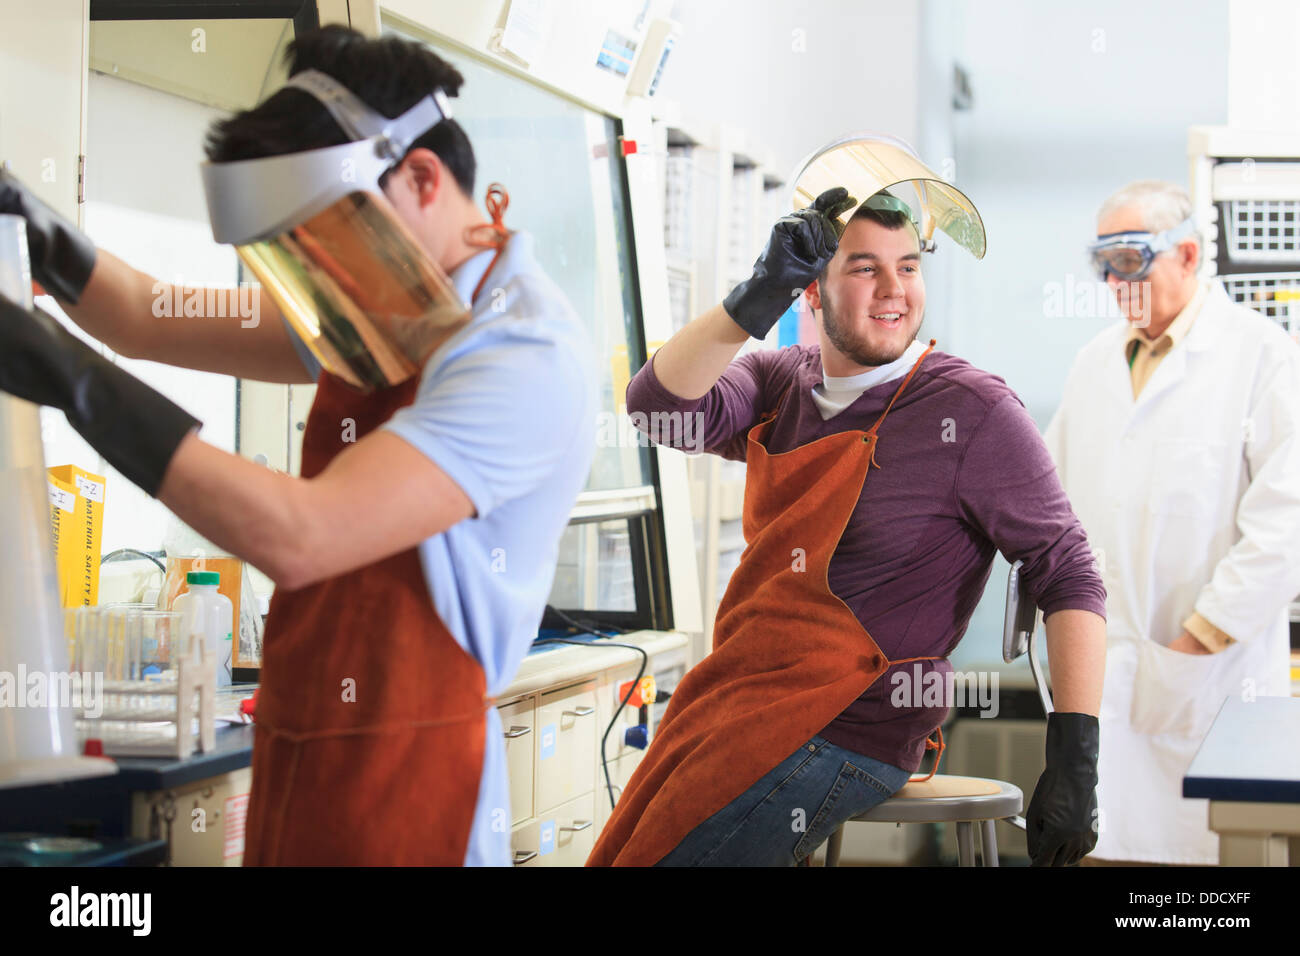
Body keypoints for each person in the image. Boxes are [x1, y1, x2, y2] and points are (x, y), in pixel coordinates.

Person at [0, 25, 596, 865]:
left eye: (321, 248)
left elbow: (305, 534)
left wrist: (71, 379)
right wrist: (37, 230)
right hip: (303, 754)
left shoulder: (521, 355)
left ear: (420, 180)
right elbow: (145, 315)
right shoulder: (387, 310)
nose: (313, 285)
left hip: (413, 788)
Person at [587, 141, 1108, 867]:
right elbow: (656, 409)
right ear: (810, 289)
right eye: (864, 268)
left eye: (909, 267)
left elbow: (1068, 571)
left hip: (854, 726)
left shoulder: (971, 409)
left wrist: (1076, 755)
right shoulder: (778, 382)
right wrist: (752, 297)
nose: (894, 291)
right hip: (735, 701)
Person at [1045, 180, 1300, 865]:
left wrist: (1198, 641)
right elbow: (1054, 504)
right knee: (1102, 850)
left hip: (1209, 679)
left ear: (1187, 253)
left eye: (1130, 259)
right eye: (1101, 262)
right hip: (1103, 679)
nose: (1112, 279)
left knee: (1207, 875)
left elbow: (1287, 522)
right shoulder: (1093, 363)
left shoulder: (1262, 354)